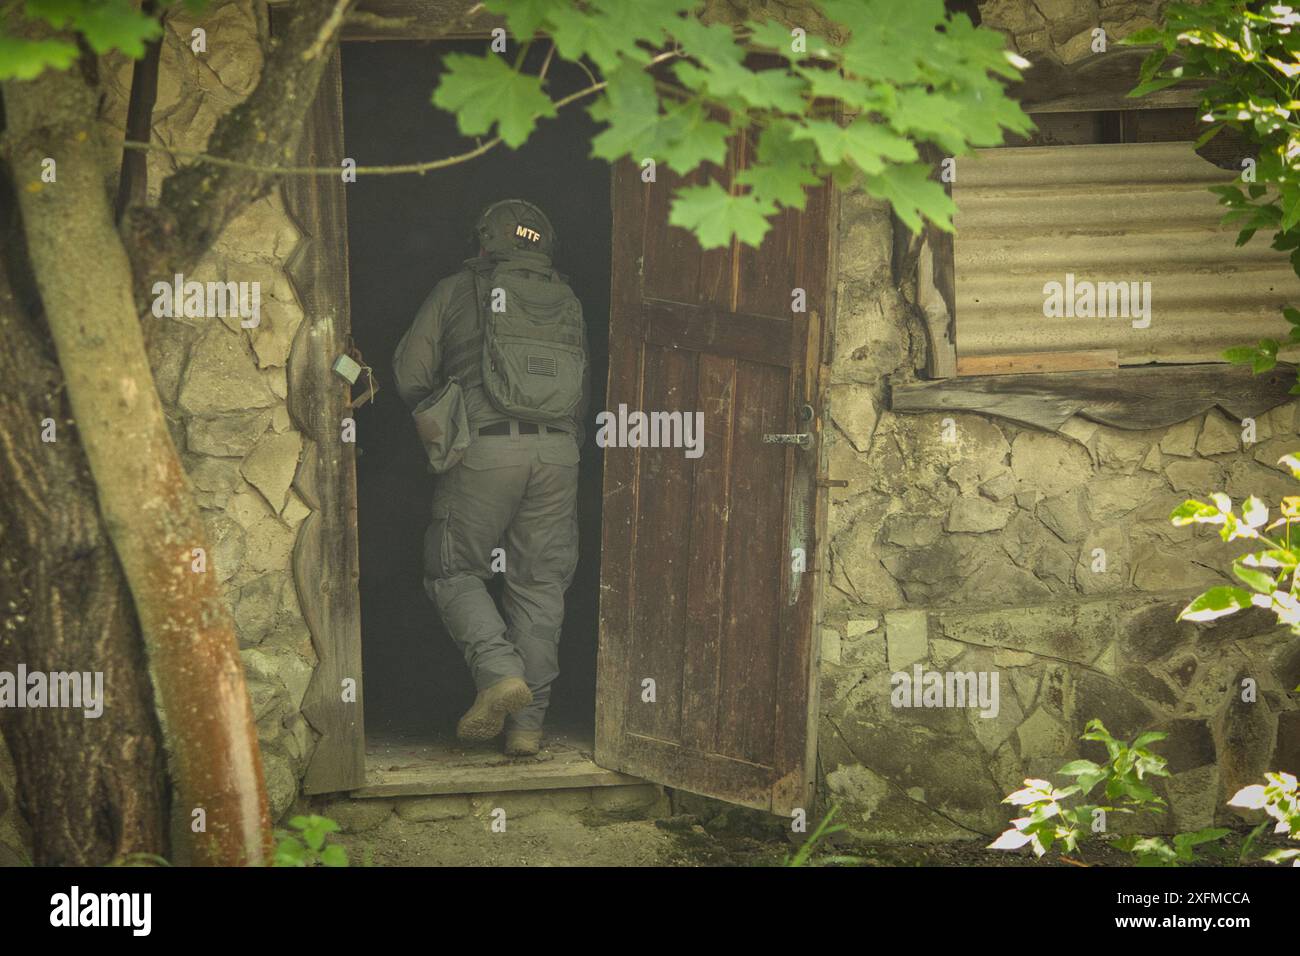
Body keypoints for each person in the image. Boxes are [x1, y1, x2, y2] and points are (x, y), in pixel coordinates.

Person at [392, 199, 588, 756]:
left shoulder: (457, 289)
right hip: (558, 456)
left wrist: (449, 416)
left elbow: (410, 373)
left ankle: (499, 672)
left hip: (486, 451)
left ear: (484, 241)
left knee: (452, 569)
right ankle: (528, 728)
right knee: (540, 583)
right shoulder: (567, 298)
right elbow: (583, 392)